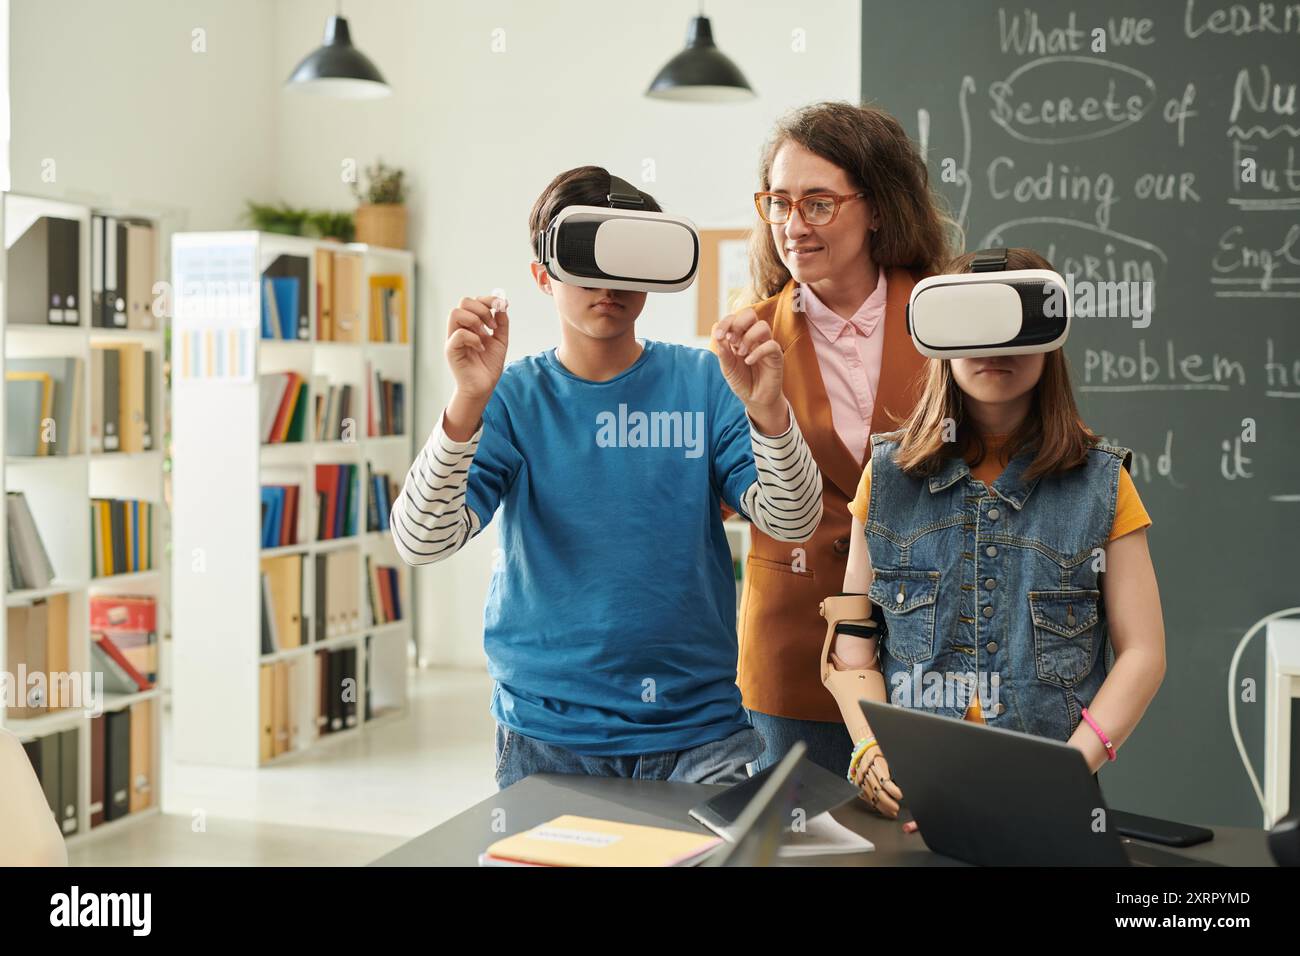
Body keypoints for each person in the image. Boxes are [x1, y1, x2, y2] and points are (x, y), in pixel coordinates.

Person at [391, 166, 823, 789]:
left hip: (698, 732)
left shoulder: (704, 383)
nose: (609, 286)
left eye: (628, 264)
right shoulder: (512, 399)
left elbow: (794, 520)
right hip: (548, 737)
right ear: (543, 274)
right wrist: (465, 403)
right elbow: (419, 540)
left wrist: (769, 412)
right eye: (586, 262)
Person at [822, 248, 1167, 815]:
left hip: (1050, 797)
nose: (993, 348)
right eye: (973, 324)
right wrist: (870, 749)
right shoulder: (885, 479)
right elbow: (852, 645)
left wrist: (1066, 773)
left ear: (1048, 337)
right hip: (916, 796)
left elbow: (1144, 653)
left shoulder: (1102, 485)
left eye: (1013, 325)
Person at [723, 101, 953, 775]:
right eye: (779, 202)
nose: (793, 226)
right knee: (794, 844)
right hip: (791, 647)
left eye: (818, 204)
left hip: (938, 642)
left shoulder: (949, 313)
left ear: (877, 207)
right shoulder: (747, 336)